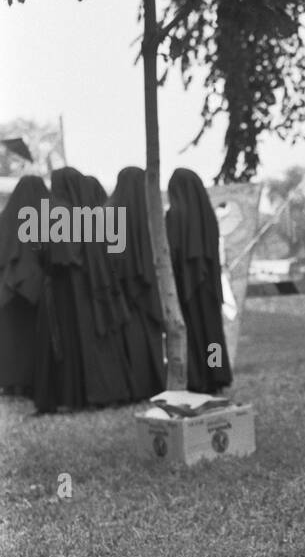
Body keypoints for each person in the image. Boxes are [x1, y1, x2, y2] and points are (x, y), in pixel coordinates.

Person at [33, 166, 132, 413]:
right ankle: (104, 392)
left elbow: (51, 255)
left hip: (66, 289)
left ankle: (77, 395)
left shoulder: (57, 212)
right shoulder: (89, 216)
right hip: (91, 290)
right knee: (94, 340)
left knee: (72, 341)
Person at [165, 166, 232, 393]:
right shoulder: (207, 215)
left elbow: (171, 251)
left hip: (186, 286)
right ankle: (216, 373)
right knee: (212, 333)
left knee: (193, 334)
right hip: (209, 285)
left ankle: (198, 377)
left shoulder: (173, 216)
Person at [107, 166, 165, 400]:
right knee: (148, 338)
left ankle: (133, 387)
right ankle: (154, 383)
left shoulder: (108, 214)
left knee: (128, 340)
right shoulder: (151, 216)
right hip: (147, 290)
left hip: (119, 292)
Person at [0, 174, 47, 396]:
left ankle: (10, 382)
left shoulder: (5, 218)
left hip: (7, 292)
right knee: (32, 340)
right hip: (37, 291)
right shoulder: (46, 220)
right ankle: (31, 381)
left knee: (10, 339)